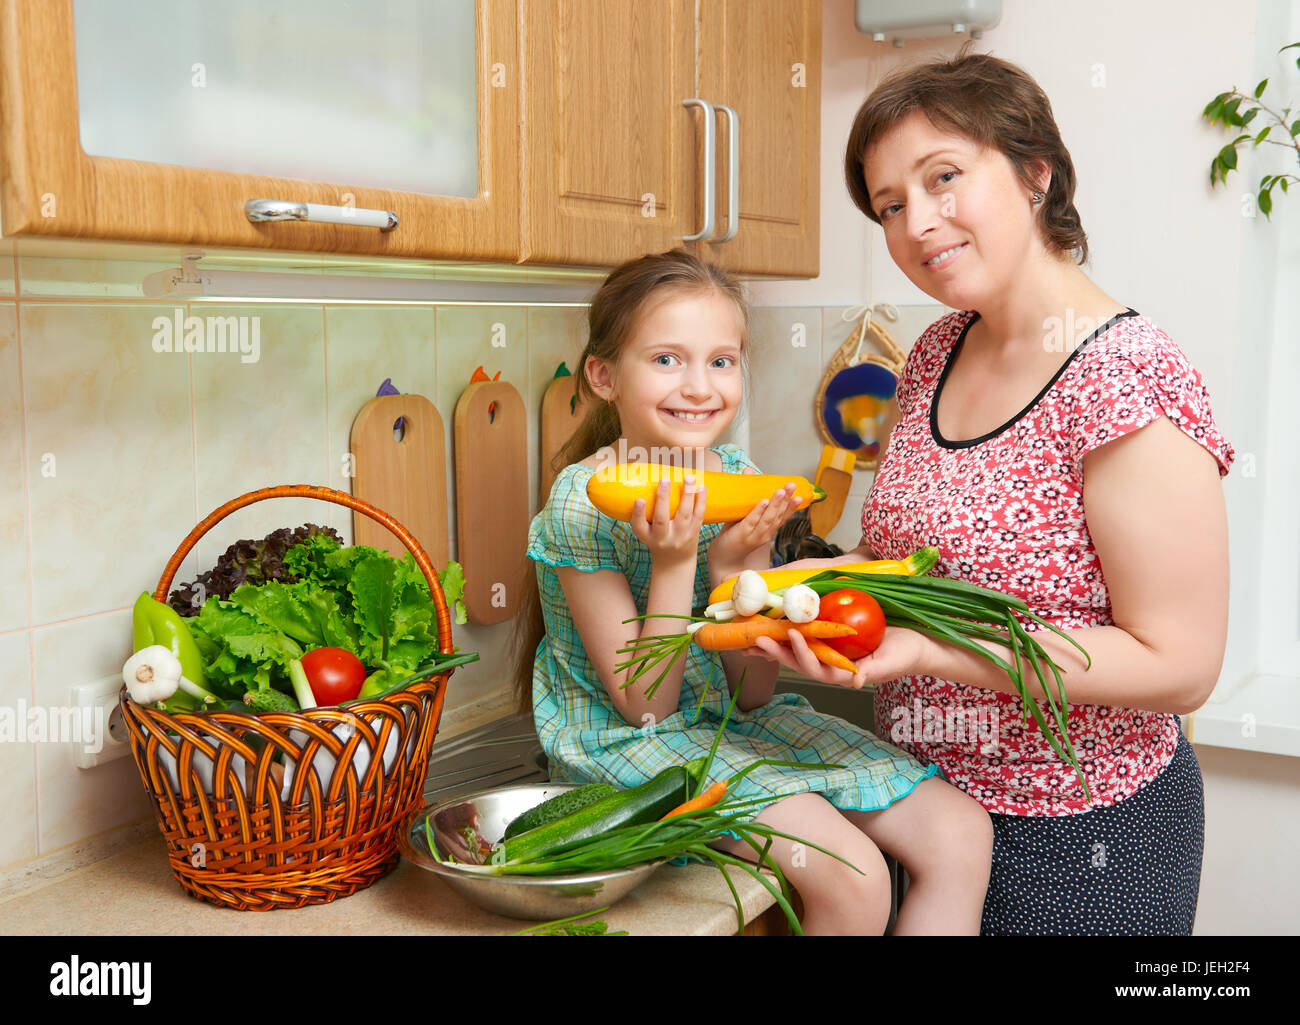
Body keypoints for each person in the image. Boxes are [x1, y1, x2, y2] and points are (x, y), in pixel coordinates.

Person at [753, 44, 1234, 935]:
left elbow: (1180, 663)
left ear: (1035, 174)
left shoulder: (1128, 376)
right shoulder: (936, 351)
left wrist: (932, 655)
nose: (917, 223)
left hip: (1084, 836)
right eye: (890, 206)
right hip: (926, 809)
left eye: (943, 178)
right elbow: (912, 564)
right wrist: (798, 588)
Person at [510, 249, 993, 935]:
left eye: (721, 360)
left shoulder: (739, 475)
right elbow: (646, 706)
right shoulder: (579, 505)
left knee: (959, 831)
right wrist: (676, 562)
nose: (700, 386)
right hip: (624, 749)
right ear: (603, 375)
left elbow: (754, 692)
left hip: (730, 724)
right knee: (853, 876)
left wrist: (734, 570)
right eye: (666, 359)